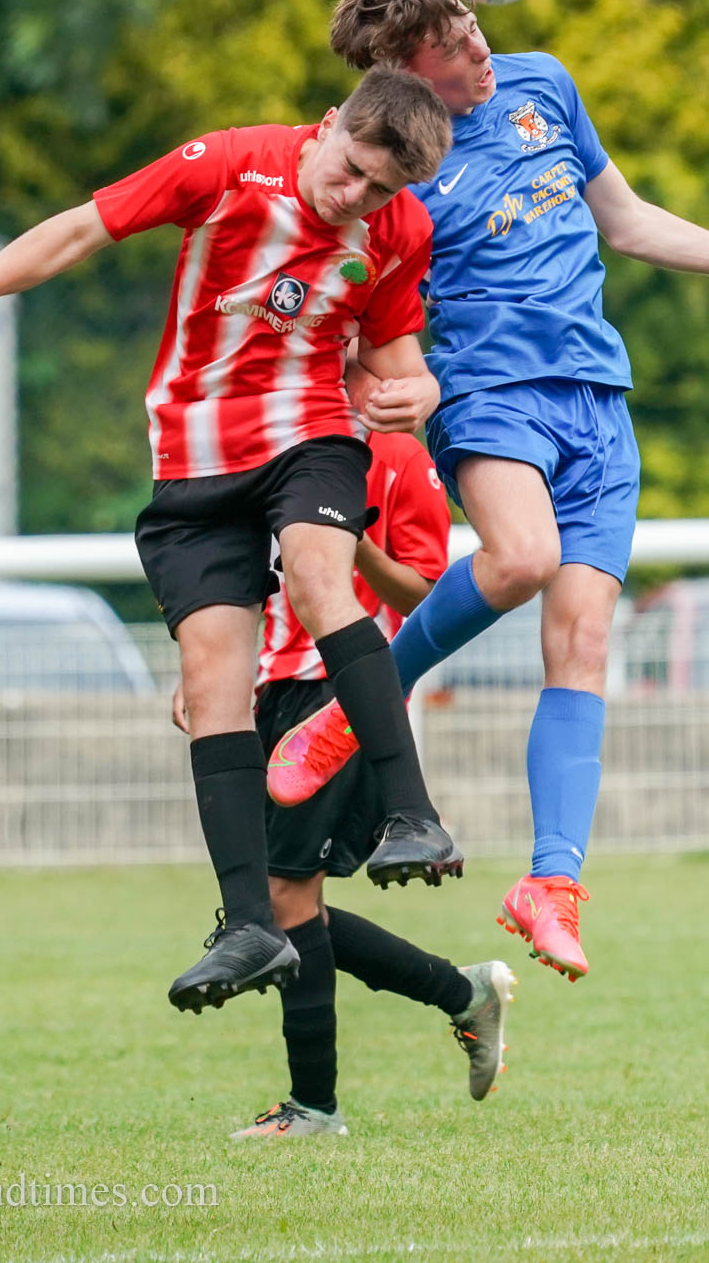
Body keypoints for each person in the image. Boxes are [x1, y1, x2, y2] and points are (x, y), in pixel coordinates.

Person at [270, 0, 709, 982]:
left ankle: (550, 885)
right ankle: (351, 712)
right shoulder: (392, 169)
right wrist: (402, 385)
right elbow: (344, 303)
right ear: (402, 75)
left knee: (581, 642)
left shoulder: (544, 85)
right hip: (491, 394)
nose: (479, 54)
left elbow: (624, 220)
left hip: (596, 399)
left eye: (474, 33)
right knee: (519, 557)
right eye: (451, 53)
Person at [0, 65, 464, 1016]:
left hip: (311, 434)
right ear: (328, 127)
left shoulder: (399, 231)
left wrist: (423, 392)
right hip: (193, 462)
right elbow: (78, 229)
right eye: (352, 170)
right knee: (209, 679)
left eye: (380, 189)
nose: (354, 197)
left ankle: (414, 813)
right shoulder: (230, 166)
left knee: (323, 584)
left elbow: (400, 366)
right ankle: (248, 925)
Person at [173, 426, 515, 1138]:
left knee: (281, 899)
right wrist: (207, 679)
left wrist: (346, 540)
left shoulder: (393, 455)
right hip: (265, 691)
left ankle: (315, 1106)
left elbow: (425, 588)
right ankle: (463, 992)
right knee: (289, 907)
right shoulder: (268, 434)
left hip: (338, 694)